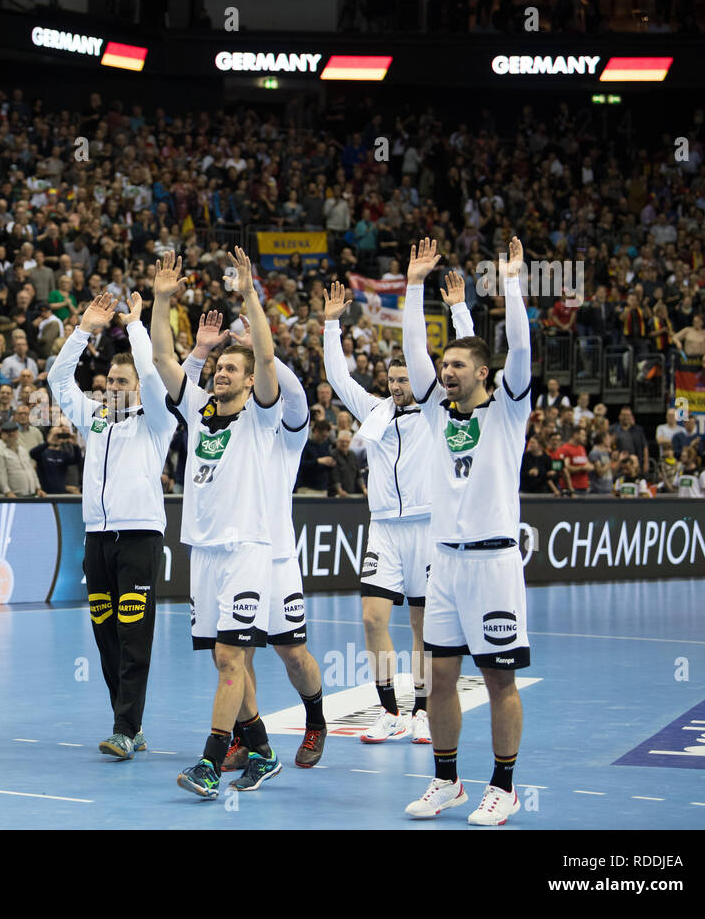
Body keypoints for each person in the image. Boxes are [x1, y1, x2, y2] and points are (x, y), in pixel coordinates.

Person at [402, 236, 532, 826]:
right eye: (442, 365)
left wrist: (510, 284)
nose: (444, 372)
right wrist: (412, 287)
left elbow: (520, 347)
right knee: (440, 679)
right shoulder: (436, 413)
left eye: (455, 365)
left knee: (499, 679)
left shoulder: (507, 409)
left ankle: (503, 785)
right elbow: (412, 355)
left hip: (494, 565)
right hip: (445, 563)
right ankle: (447, 781)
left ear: (483, 372)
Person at [151, 247, 283, 798]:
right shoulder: (200, 411)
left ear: (249, 382)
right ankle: (264, 751)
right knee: (224, 660)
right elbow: (162, 360)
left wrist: (250, 295)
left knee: (232, 656)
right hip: (202, 553)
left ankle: (208, 762)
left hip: (247, 549)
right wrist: (161, 300)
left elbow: (270, 360)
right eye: (220, 367)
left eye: (233, 367)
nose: (223, 372)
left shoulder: (262, 415)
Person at [323, 271, 474, 744]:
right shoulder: (374, 411)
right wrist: (332, 324)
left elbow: (465, 361)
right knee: (371, 618)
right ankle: (390, 710)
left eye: (404, 378)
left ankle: (424, 711)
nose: (397, 385)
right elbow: (336, 376)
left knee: (422, 624)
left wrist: (457, 310)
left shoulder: (437, 410)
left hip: (428, 528)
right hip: (384, 529)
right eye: (391, 379)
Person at [186, 304, 330, 777]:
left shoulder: (284, 426)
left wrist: (254, 344)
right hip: (231, 549)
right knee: (233, 654)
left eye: (238, 368)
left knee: (291, 653)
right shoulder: (227, 420)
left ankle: (315, 719)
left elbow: (282, 381)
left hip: (276, 556)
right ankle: (251, 740)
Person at [47, 290, 176, 759]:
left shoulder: (156, 421)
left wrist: (136, 327)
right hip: (96, 540)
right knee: (105, 637)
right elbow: (58, 380)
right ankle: (129, 723)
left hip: (139, 537)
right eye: (109, 382)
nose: (114, 388)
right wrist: (84, 330)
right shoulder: (95, 418)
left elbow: (156, 377)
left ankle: (125, 727)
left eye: (124, 381)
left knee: (133, 634)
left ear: (138, 386)